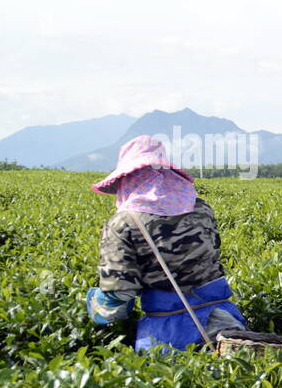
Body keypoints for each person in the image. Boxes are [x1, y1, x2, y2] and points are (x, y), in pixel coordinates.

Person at [87, 135, 247, 352]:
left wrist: (97, 307)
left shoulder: (123, 223)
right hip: (224, 321)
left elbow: (119, 293)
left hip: (168, 334)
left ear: (126, 179)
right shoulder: (201, 209)